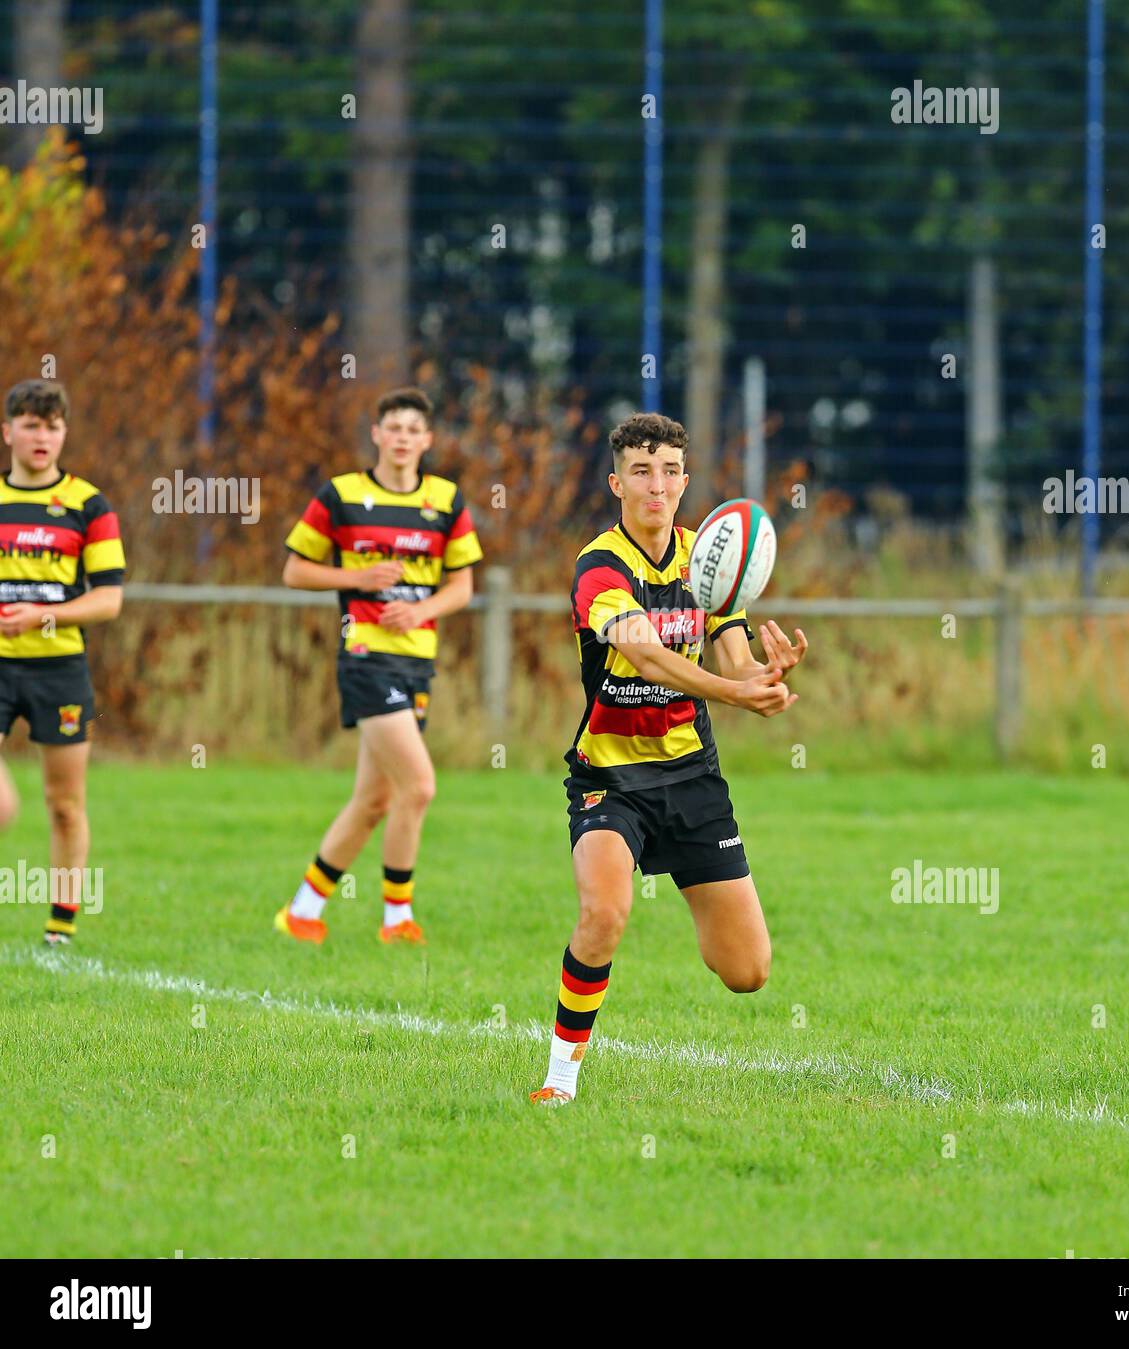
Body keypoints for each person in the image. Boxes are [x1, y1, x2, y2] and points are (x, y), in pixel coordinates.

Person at [531, 412, 807, 1104]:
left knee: (747, 971)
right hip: (609, 780)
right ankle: (559, 1081)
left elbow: (734, 657)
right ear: (616, 482)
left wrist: (763, 679)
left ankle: (695, 886)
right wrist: (732, 693)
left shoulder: (706, 555)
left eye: (670, 471)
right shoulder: (598, 566)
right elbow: (644, 651)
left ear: (685, 481)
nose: (657, 485)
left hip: (691, 780)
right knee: (604, 914)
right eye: (642, 471)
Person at [276, 387, 482, 945]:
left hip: (417, 662)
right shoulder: (342, 494)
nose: (403, 438)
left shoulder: (445, 500)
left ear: (428, 440)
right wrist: (356, 578)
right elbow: (296, 571)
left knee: (373, 800)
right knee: (418, 786)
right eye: (393, 427)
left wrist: (420, 612)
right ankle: (396, 920)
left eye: (414, 430)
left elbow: (462, 586)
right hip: (365, 658)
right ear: (377, 434)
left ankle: (302, 910)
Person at [0, 379, 126, 944]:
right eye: (30, 424)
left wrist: (43, 618)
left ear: (64, 433)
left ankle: (60, 925)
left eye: (52, 426)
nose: (41, 436)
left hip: (60, 671)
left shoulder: (88, 506)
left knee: (65, 805)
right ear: (8, 432)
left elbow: (109, 599)